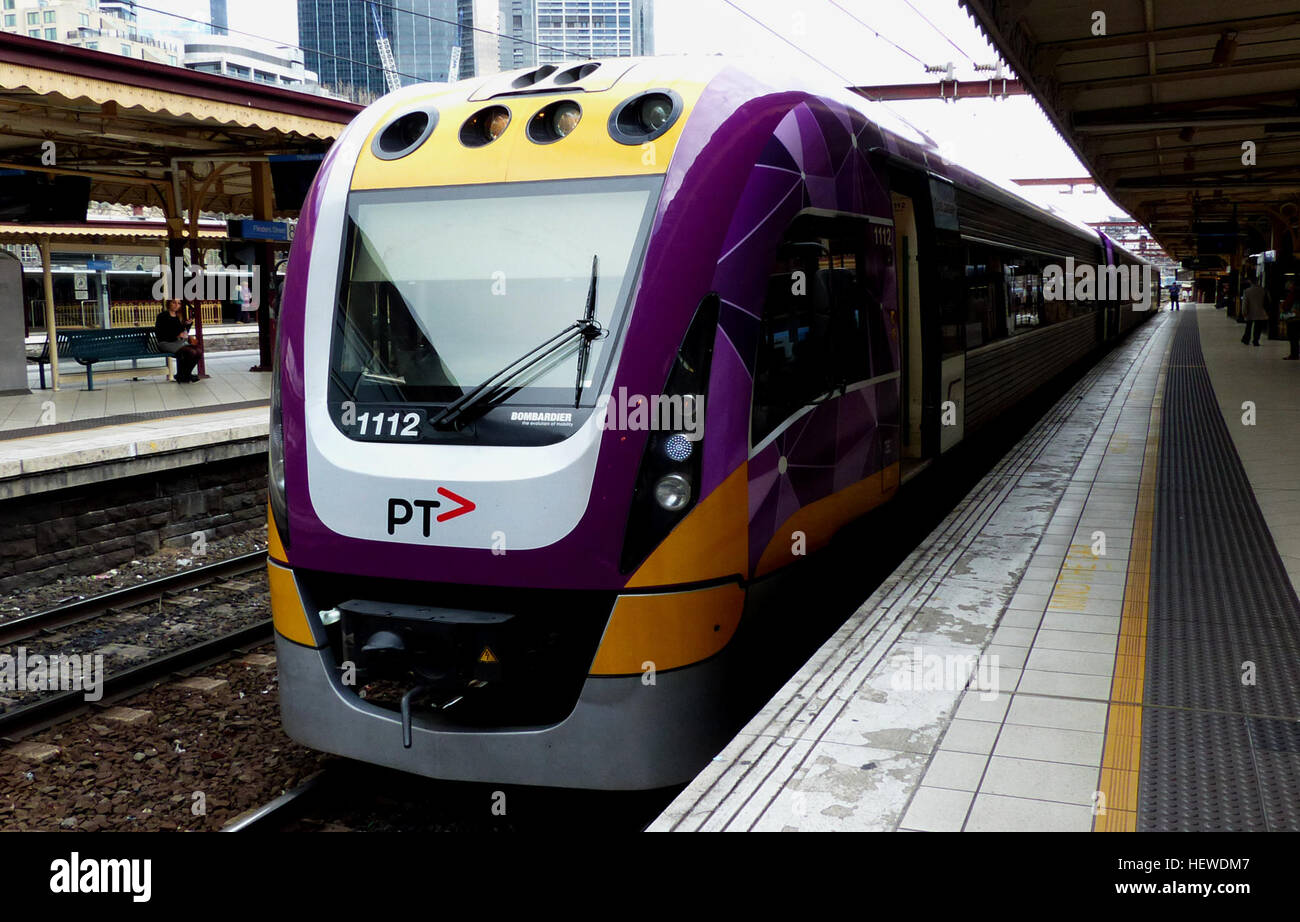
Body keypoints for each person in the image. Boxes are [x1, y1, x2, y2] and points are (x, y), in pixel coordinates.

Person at [155, 299, 201, 382]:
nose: (177, 305)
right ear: (169, 304)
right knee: (191, 351)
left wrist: (188, 325)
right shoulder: (162, 316)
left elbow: (183, 332)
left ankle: (184, 375)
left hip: (177, 342)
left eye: (179, 303)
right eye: (174, 302)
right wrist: (177, 335)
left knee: (198, 351)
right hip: (165, 343)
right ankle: (185, 375)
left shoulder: (177, 316)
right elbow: (160, 333)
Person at [1240, 279, 1271, 347]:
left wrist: (1244, 312)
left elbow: (1245, 303)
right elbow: (1268, 301)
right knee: (1258, 327)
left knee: (1248, 326)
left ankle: (1246, 339)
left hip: (1250, 312)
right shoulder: (1263, 290)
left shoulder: (1247, 291)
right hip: (1261, 312)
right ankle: (1256, 340)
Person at [1281, 280, 1298, 360]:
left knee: (1293, 337)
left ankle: (1294, 354)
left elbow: (1286, 305)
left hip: (1293, 318)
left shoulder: (1293, 294)